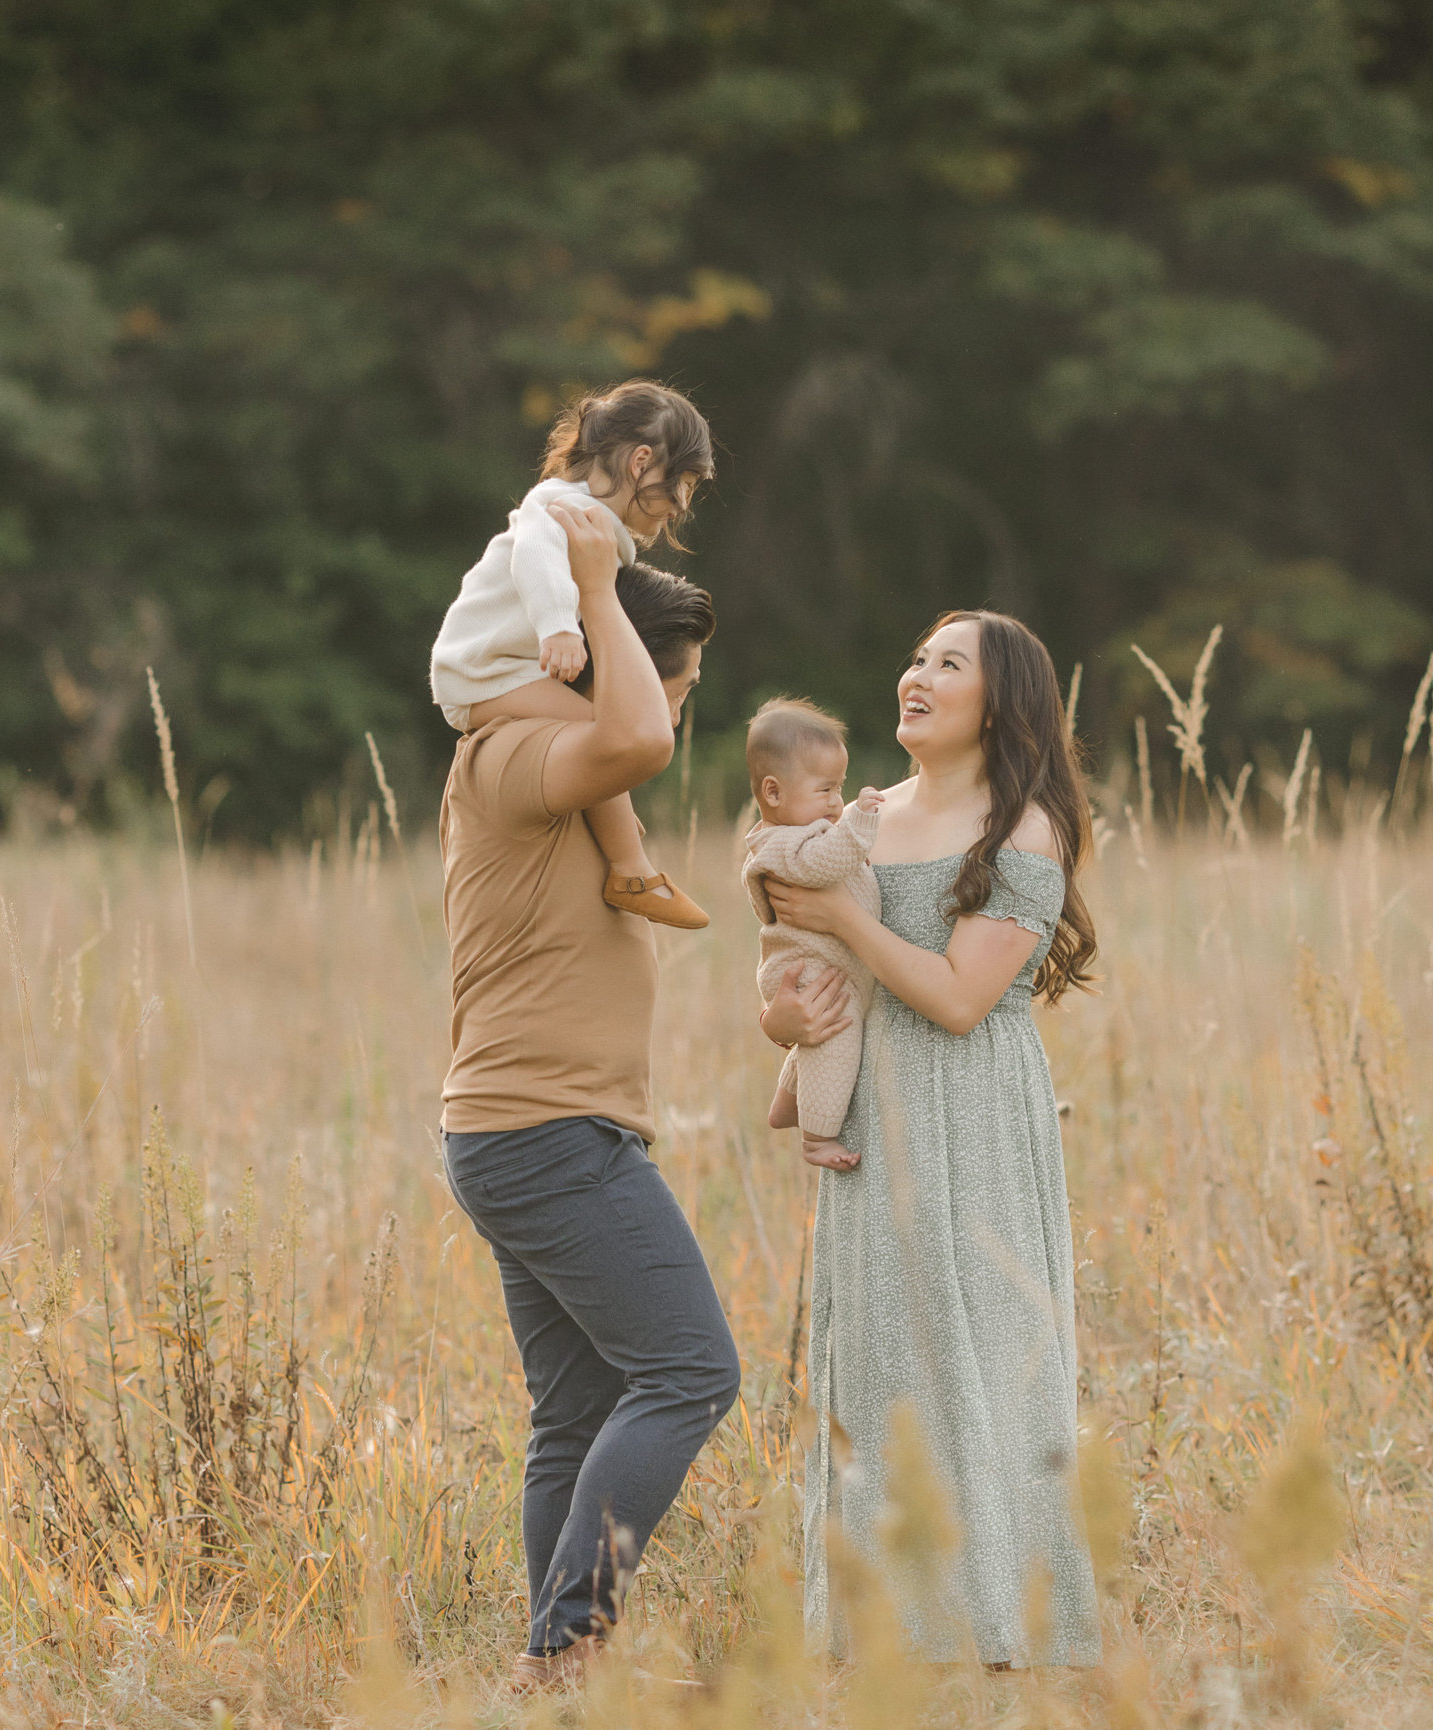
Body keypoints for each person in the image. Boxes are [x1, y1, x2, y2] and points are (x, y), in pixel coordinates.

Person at [757, 610, 1103, 1668]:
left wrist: (848, 920)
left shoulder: (1024, 825)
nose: (916, 674)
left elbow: (959, 997)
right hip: (875, 1104)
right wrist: (785, 1024)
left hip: (977, 1107)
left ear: (999, 701)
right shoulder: (857, 816)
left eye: (947, 664)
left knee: (986, 1351)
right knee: (877, 1358)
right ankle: (879, 1624)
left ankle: (1004, 1617)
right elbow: (798, 972)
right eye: (914, 656)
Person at [438, 497, 737, 1689]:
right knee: (690, 1371)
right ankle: (566, 1646)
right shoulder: (528, 757)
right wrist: (601, 596)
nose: (682, 703)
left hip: (534, 1129)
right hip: (546, 1133)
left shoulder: (550, 765)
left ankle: (551, 1666)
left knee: (577, 1412)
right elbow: (637, 736)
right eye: (683, 679)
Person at [430, 379, 717, 929]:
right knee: (607, 730)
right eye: (681, 484)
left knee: (605, 732)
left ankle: (625, 851)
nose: (682, 505)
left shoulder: (593, 521)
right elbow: (534, 558)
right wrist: (560, 627)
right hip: (482, 673)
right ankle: (631, 870)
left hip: (502, 670)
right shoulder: (561, 508)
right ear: (640, 463)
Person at [740, 697, 883, 1171]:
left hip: (821, 966)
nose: (837, 802)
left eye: (839, 789)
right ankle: (817, 1139)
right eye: (825, 790)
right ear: (774, 793)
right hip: (807, 970)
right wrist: (858, 827)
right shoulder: (782, 845)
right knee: (834, 1043)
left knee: (816, 1045)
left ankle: (786, 1105)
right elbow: (821, 864)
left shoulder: (800, 831)